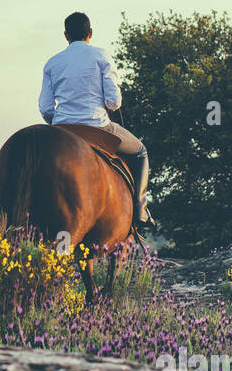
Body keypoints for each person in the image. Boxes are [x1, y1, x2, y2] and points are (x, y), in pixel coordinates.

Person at [38, 12, 155, 228]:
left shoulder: (52, 63)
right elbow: (114, 102)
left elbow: (46, 108)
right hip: (97, 127)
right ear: (90, 33)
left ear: (66, 36)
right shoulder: (101, 56)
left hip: (62, 129)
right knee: (141, 152)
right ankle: (140, 210)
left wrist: (63, 120)